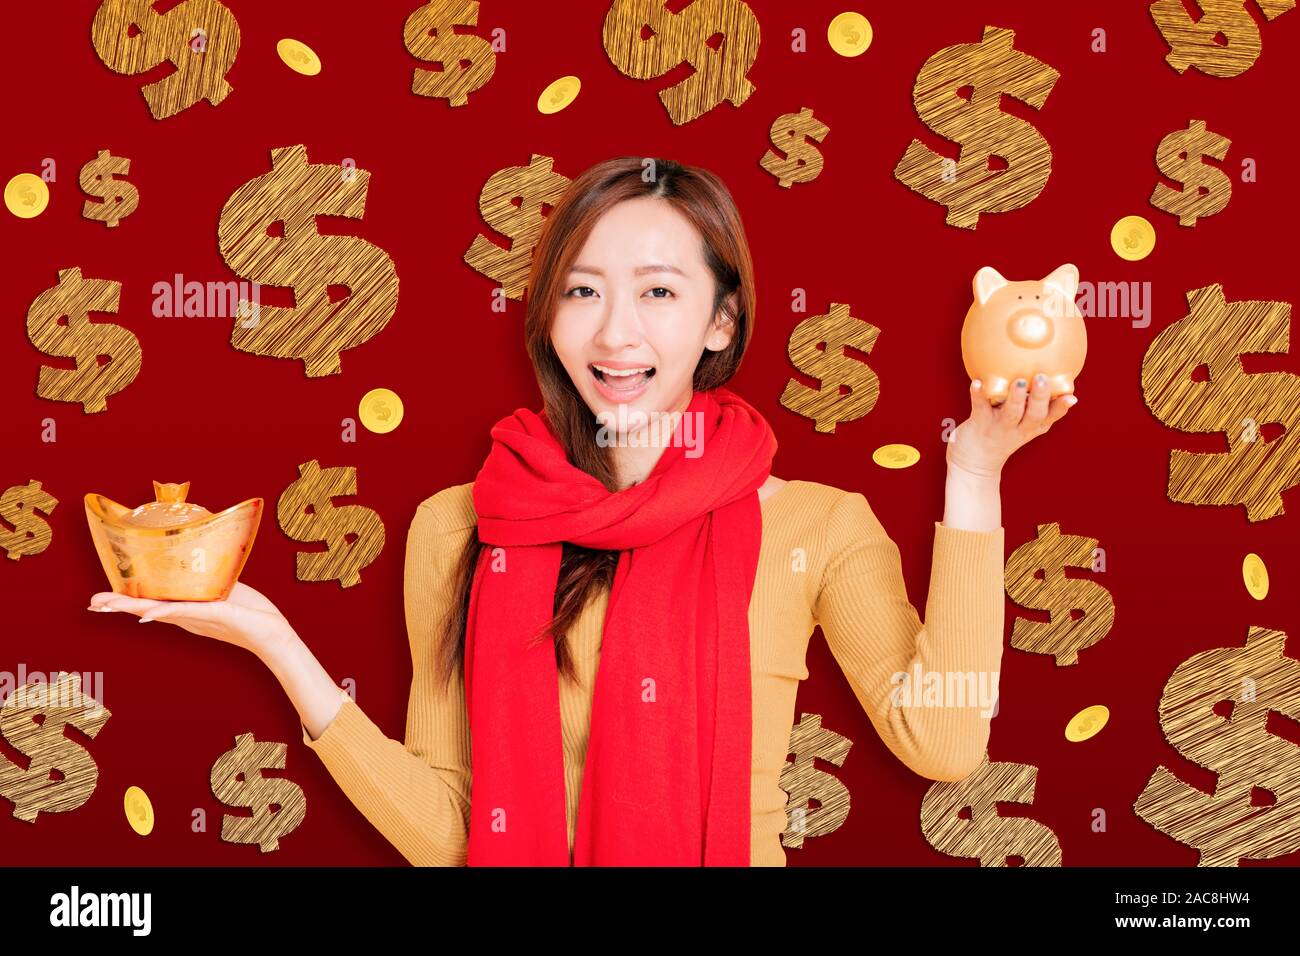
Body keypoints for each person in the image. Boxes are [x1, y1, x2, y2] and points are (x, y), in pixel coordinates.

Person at [88, 156, 1077, 866]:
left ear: (718, 320)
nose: (614, 331)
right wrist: (278, 648)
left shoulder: (815, 525)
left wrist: (974, 474)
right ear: (547, 315)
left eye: (657, 291)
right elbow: (452, 833)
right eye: (582, 291)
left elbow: (944, 747)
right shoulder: (460, 524)